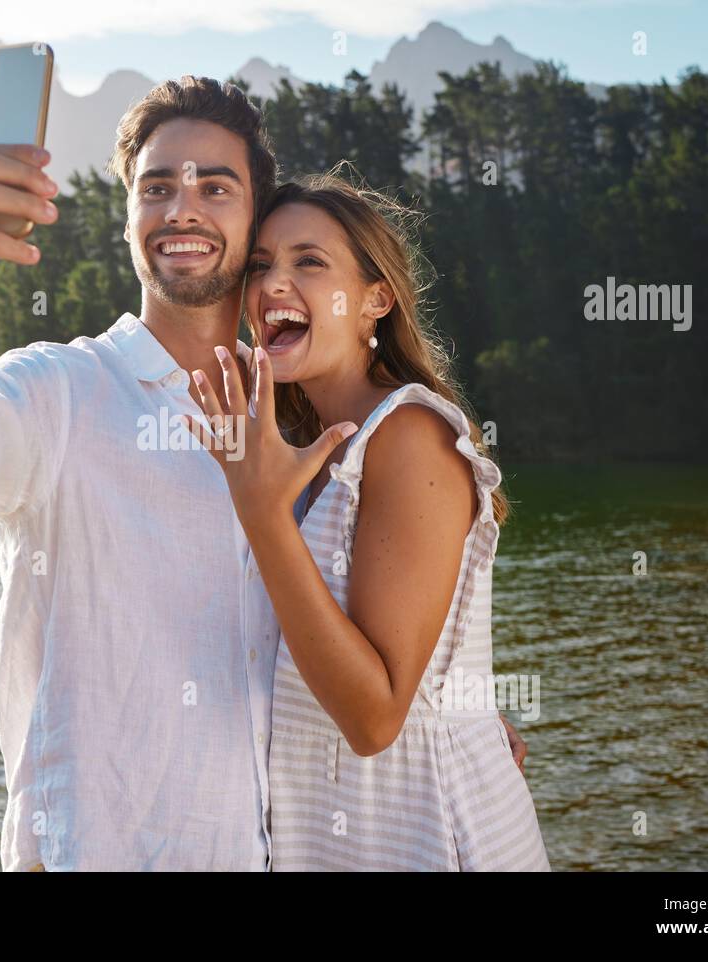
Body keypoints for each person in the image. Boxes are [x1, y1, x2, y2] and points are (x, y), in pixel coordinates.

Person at [0, 76, 527, 871]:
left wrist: (456, 715)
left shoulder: (307, 429)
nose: (182, 206)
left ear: (250, 218)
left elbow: (371, 650)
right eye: (156, 186)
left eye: (215, 186)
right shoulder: (62, 394)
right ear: (128, 219)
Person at [181, 168, 550, 870]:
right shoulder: (300, 456)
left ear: (375, 300)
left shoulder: (409, 436)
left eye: (309, 263)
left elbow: (375, 719)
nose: (271, 285)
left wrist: (261, 514)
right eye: (260, 266)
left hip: (425, 834)